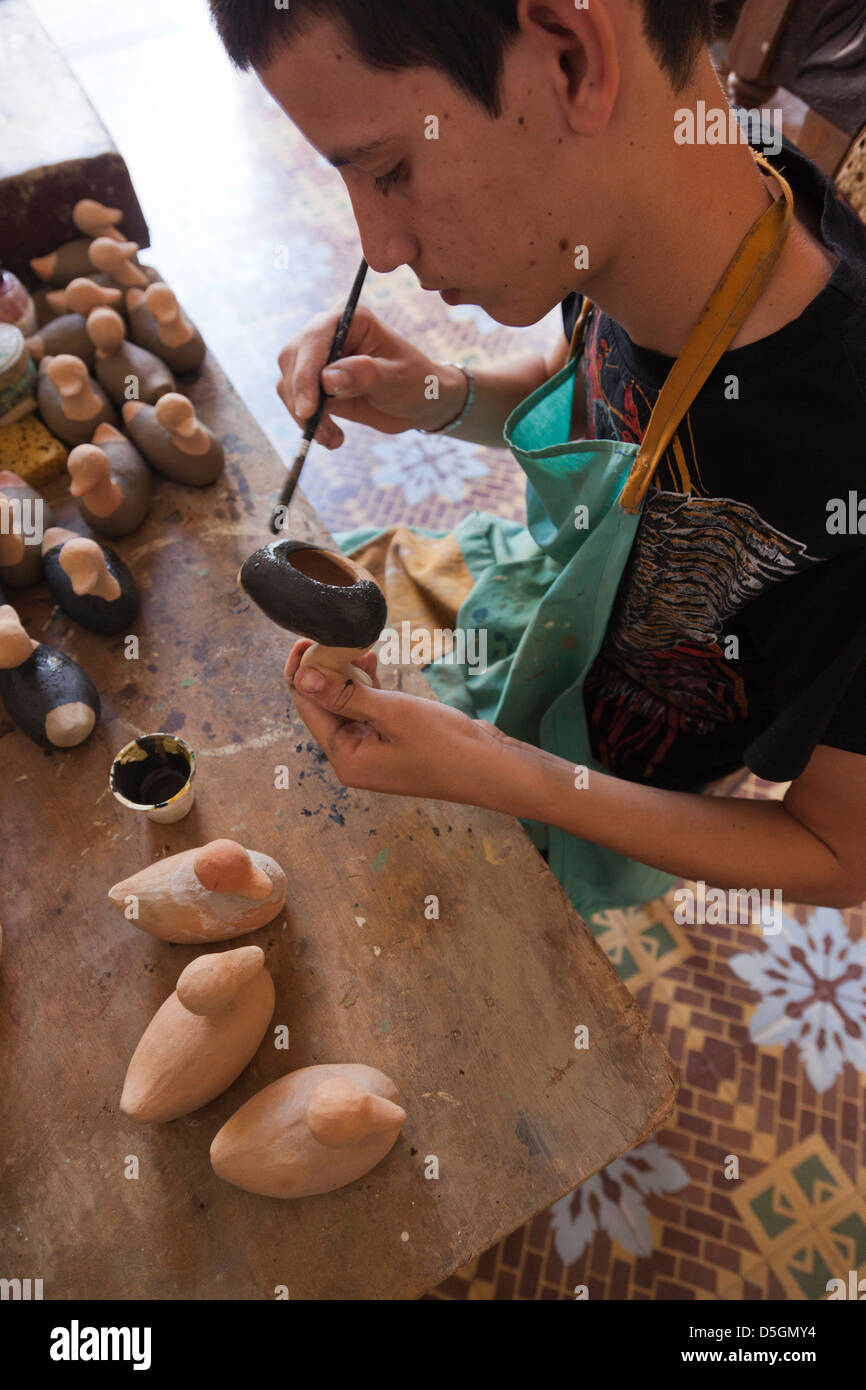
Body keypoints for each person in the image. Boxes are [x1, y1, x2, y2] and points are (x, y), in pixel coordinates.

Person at [209, 0, 866, 910]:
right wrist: (440, 394)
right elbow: (587, 385)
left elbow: (837, 850)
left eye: (390, 169)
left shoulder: (842, 444)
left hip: (618, 788)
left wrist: (502, 774)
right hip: (523, 625)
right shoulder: (635, 222)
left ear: (570, 57)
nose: (379, 248)